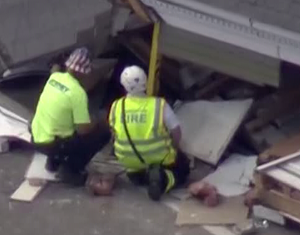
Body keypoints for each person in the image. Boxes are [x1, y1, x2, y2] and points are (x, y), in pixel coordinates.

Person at [107, 65, 191, 201]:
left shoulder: (116, 106)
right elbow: (176, 132)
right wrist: (174, 148)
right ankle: (163, 179)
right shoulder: (159, 105)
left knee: (138, 177)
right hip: (160, 159)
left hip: (131, 163)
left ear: (123, 85)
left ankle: (144, 177)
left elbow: (113, 133)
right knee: (183, 168)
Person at [31, 47, 111, 186]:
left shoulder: (54, 78)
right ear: (84, 73)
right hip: (54, 144)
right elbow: (83, 130)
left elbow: (55, 69)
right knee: (103, 132)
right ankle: (71, 170)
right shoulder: (77, 93)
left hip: (36, 137)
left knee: (61, 123)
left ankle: (53, 162)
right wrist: (96, 121)